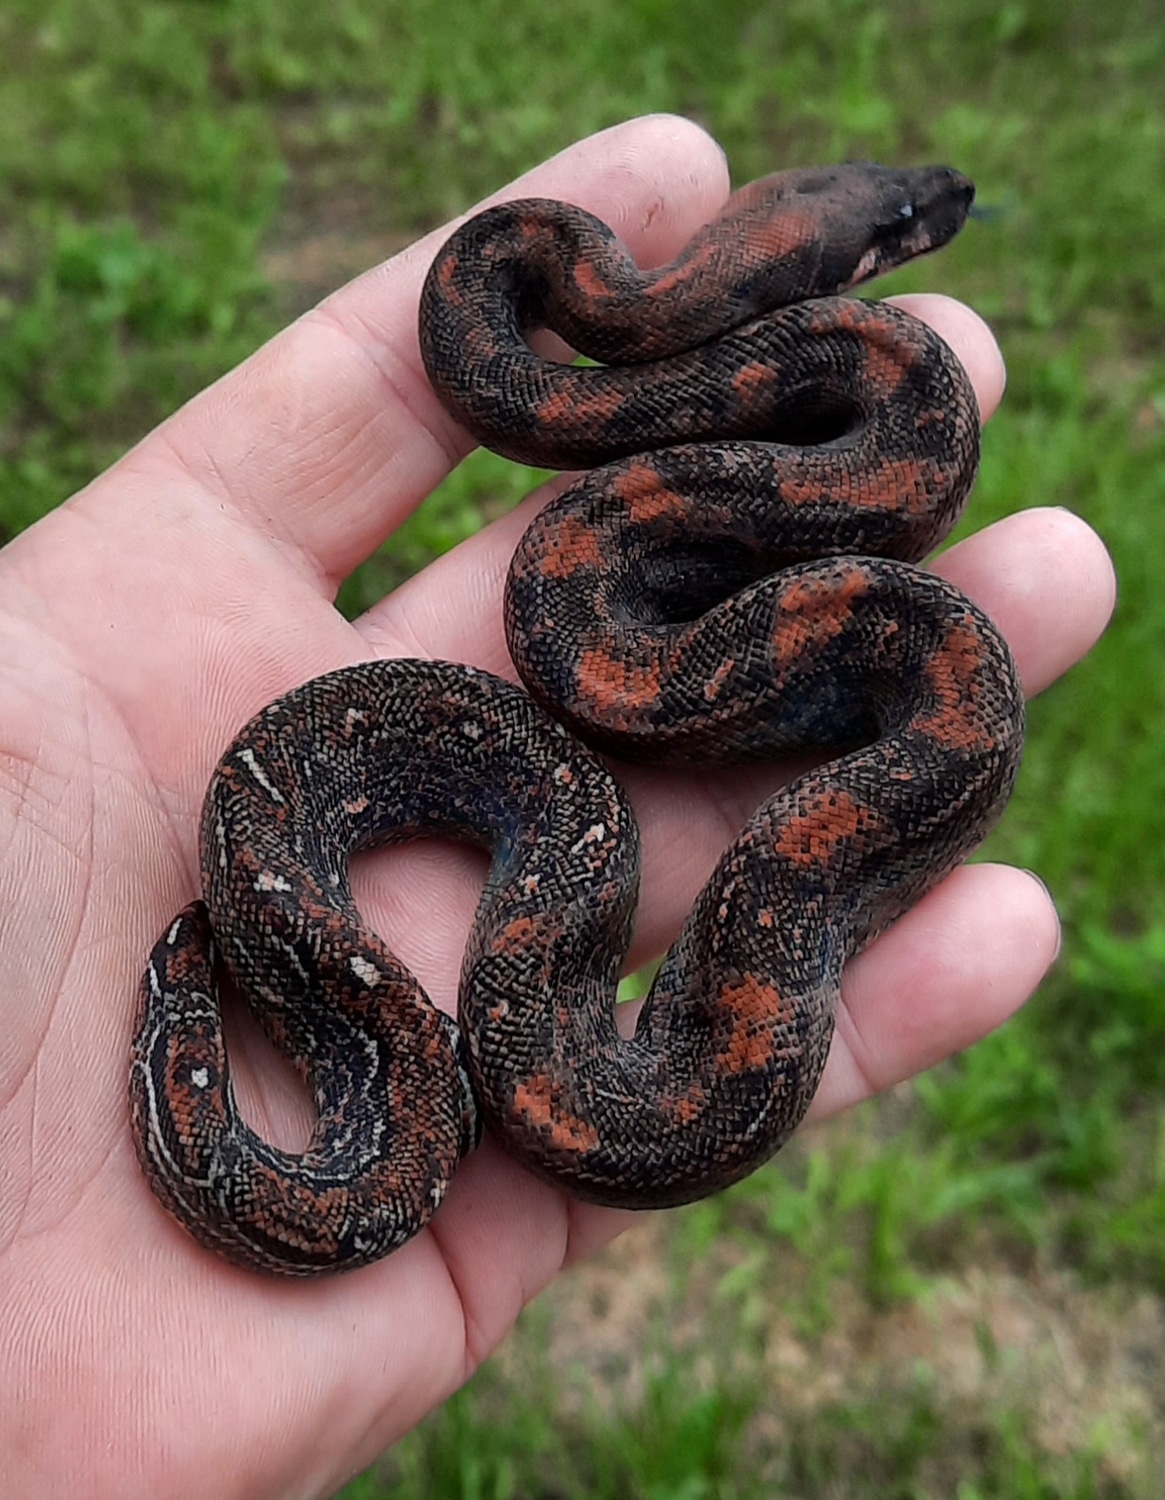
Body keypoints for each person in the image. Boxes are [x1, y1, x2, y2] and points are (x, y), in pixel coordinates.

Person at [0, 115, 1113, 1498]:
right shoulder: (711, 424)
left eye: (882, 239)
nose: (910, 233)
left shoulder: (637, 499)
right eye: (885, 240)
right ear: (756, 290)